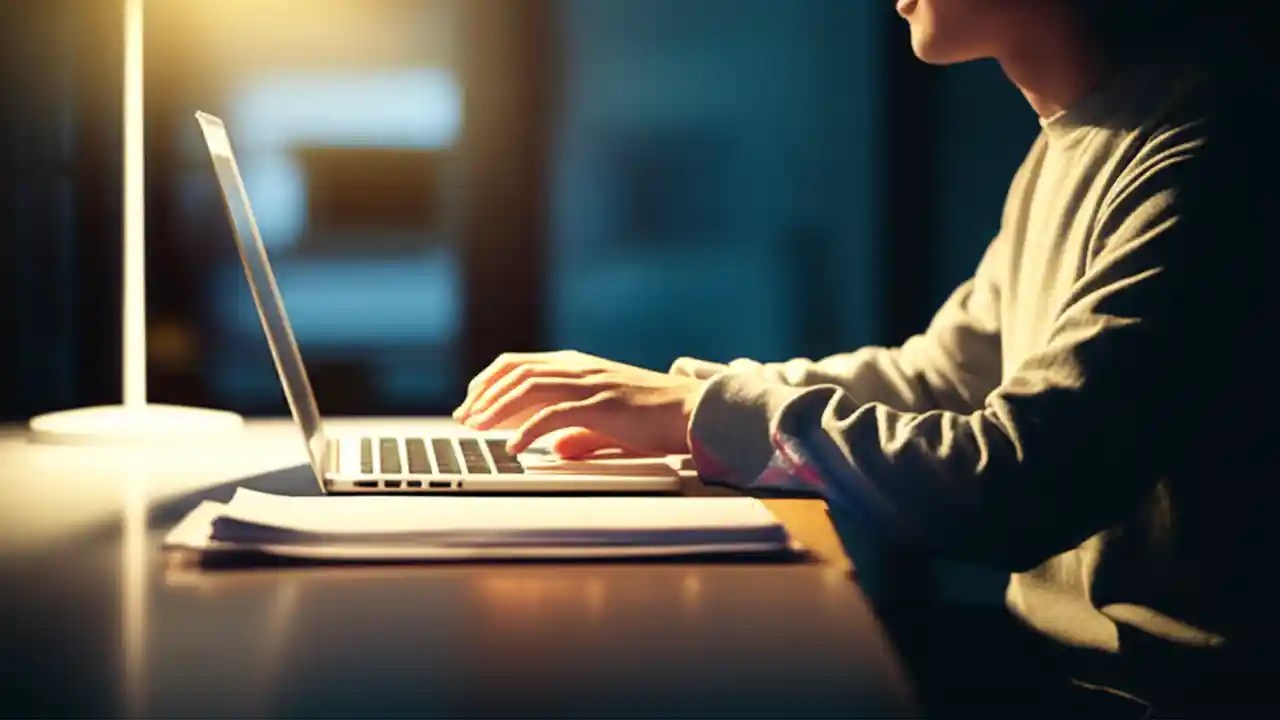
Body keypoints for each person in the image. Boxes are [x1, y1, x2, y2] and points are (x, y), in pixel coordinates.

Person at [453, 0, 1275, 714]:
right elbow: (947, 377)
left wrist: (704, 415)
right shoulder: (1078, 136)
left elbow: (1026, 479)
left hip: (1156, 693)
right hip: (1063, 669)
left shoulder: (1204, 150)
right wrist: (689, 399)